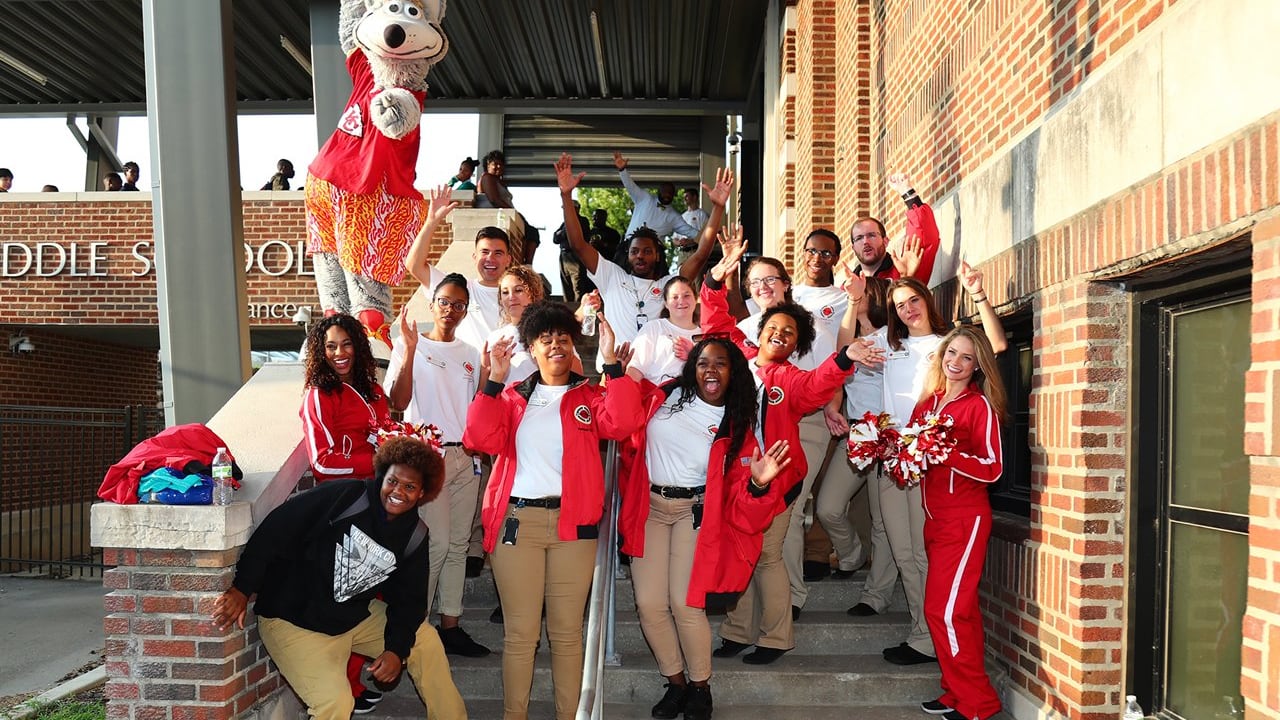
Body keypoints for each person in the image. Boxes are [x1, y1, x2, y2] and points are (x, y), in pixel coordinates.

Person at [700, 233, 885, 665]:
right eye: (774, 329)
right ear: (759, 332)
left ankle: (775, 636)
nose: (780, 335)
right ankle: (737, 628)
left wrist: (845, 358)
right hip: (738, 476)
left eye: (789, 333)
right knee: (738, 548)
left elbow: (817, 384)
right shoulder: (741, 361)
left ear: (797, 344)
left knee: (767, 555)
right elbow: (716, 324)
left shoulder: (788, 379)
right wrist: (714, 280)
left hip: (778, 480)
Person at [463, 302, 643, 720]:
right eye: (546, 339)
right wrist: (493, 381)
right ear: (532, 348)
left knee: (566, 635)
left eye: (563, 337)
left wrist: (612, 365)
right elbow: (479, 436)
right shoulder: (511, 396)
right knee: (521, 635)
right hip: (517, 525)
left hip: (573, 527)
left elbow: (622, 422)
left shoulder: (589, 395)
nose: (556, 345)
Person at [210, 437, 467, 720]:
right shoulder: (346, 497)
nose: (398, 492)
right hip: (293, 621)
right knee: (335, 703)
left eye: (409, 487)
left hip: (352, 618)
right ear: (382, 477)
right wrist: (242, 588)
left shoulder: (415, 536)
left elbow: (410, 602)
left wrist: (395, 650)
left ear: (422, 493)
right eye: (393, 481)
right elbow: (276, 530)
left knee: (424, 639)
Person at [620, 337, 792, 720]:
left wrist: (759, 483)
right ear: (691, 368)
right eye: (702, 362)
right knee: (648, 604)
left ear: (734, 371)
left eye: (720, 363)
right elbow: (622, 426)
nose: (710, 370)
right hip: (648, 507)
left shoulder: (737, 426)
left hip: (692, 513)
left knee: (686, 603)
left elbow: (743, 505)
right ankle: (676, 682)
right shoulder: (662, 397)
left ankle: (700, 686)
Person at [874, 264, 1006, 667]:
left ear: (928, 301)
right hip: (901, 458)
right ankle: (924, 631)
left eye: (914, 299)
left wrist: (978, 293)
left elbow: (995, 345)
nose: (907, 308)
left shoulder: (948, 343)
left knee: (921, 556)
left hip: (940, 478)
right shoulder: (891, 346)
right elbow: (848, 344)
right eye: (898, 305)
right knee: (903, 551)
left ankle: (928, 638)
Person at [385, 274, 490, 659]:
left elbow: (476, 405)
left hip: (466, 456)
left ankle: (451, 626)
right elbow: (398, 399)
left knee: (460, 543)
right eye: (444, 302)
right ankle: (413, 630)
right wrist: (411, 350)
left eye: (459, 304)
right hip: (428, 456)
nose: (450, 310)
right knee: (438, 542)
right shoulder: (408, 343)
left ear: (465, 311)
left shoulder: (469, 352)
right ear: (433, 304)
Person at [554, 152, 728, 368]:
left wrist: (719, 207)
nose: (640, 256)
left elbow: (701, 254)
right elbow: (579, 244)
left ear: (657, 256)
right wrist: (566, 196)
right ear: (627, 254)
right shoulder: (611, 276)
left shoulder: (669, 286)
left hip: (654, 377)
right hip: (613, 372)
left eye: (647, 251)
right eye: (635, 251)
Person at [913, 326, 1007, 720]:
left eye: (966, 357)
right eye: (951, 353)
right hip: (934, 521)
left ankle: (979, 703)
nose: (955, 362)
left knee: (944, 611)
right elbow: (917, 458)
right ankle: (956, 692)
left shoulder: (978, 405)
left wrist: (947, 455)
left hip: (965, 521)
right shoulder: (928, 404)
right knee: (960, 612)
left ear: (977, 365)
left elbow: (993, 468)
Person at [820, 275, 900, 616]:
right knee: (828, 506)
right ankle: (852, 554)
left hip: (886, 435)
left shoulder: (894, 339)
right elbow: (842, 351)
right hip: (854, 433)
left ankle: (876, 595)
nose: (853, 292)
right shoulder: (850, 335)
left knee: (883, 521)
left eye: (861, 289)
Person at [406, 185, 513, 352]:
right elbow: (414, 265)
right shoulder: (460, 290)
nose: (490, 259)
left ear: (508, 260)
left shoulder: (517, 297)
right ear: (474, 257)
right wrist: (432, 221)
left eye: (498, 253)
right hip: (464, 373)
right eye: (484, 252)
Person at [300, 313, 392, 484]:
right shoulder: (319, 395)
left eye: (347, 344)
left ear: (358, 347)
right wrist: (378, 462)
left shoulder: (374, 390)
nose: (339, 353)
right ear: (321, 352)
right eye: (331, 346)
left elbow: (386, 438)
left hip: (381, 490)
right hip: (346, 496)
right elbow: (321, 463)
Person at [486, 264, 585, 382]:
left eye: (518, 290)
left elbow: (577, 376)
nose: (511, 297)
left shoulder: (551, 333)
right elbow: (486, 386)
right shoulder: (494, 337)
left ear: (533, 293)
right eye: (505, 292)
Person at [850, 173, 941, 282]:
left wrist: (907, 193)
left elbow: (924, 237)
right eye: (859, 238)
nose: (865, 241)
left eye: (872, 235)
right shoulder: (847, 287)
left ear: (886, 241)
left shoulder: (904, 270)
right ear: (853, 247)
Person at [612, 150, 702, 241]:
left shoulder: (674, 216)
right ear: (658, 191)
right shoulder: (644, 198)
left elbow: (691, 232)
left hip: (652, 252)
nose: (667, 194)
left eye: (670, 193)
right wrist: (622, 170)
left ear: (674, 195)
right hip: (628, 246)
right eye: (664, 191)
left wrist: (711, 237)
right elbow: (630, 185)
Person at [627, 276, 701, 384]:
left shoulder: (705, 334)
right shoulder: (653, 328)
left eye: (686, 296)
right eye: (675, 297)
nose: (681, 301)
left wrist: (692, 356)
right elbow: (635, 370)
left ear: (696, 299)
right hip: (657, 397)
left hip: (692, 398)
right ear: (666, 303)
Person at [554, 199, 593, 304]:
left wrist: (562, 234)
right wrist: (563, 233)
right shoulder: (564, 223)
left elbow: (581, 237)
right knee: (566, 284)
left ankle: (578, 308)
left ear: (576, 209)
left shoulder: (582, 221)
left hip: (575, 255)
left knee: (577, 285)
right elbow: (555, 238)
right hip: (563, 256)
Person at [671, 188, 710, 269]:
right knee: (680, 278)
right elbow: (674, 239)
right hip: (682, 253)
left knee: (696, 279)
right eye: (684, 197)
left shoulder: (702, 215)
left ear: (695, 197)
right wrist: (680, 242)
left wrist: (691, 241)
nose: (684, 198)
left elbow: (706, 236)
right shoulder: (682, 216)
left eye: (687, 196)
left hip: (695, 251)